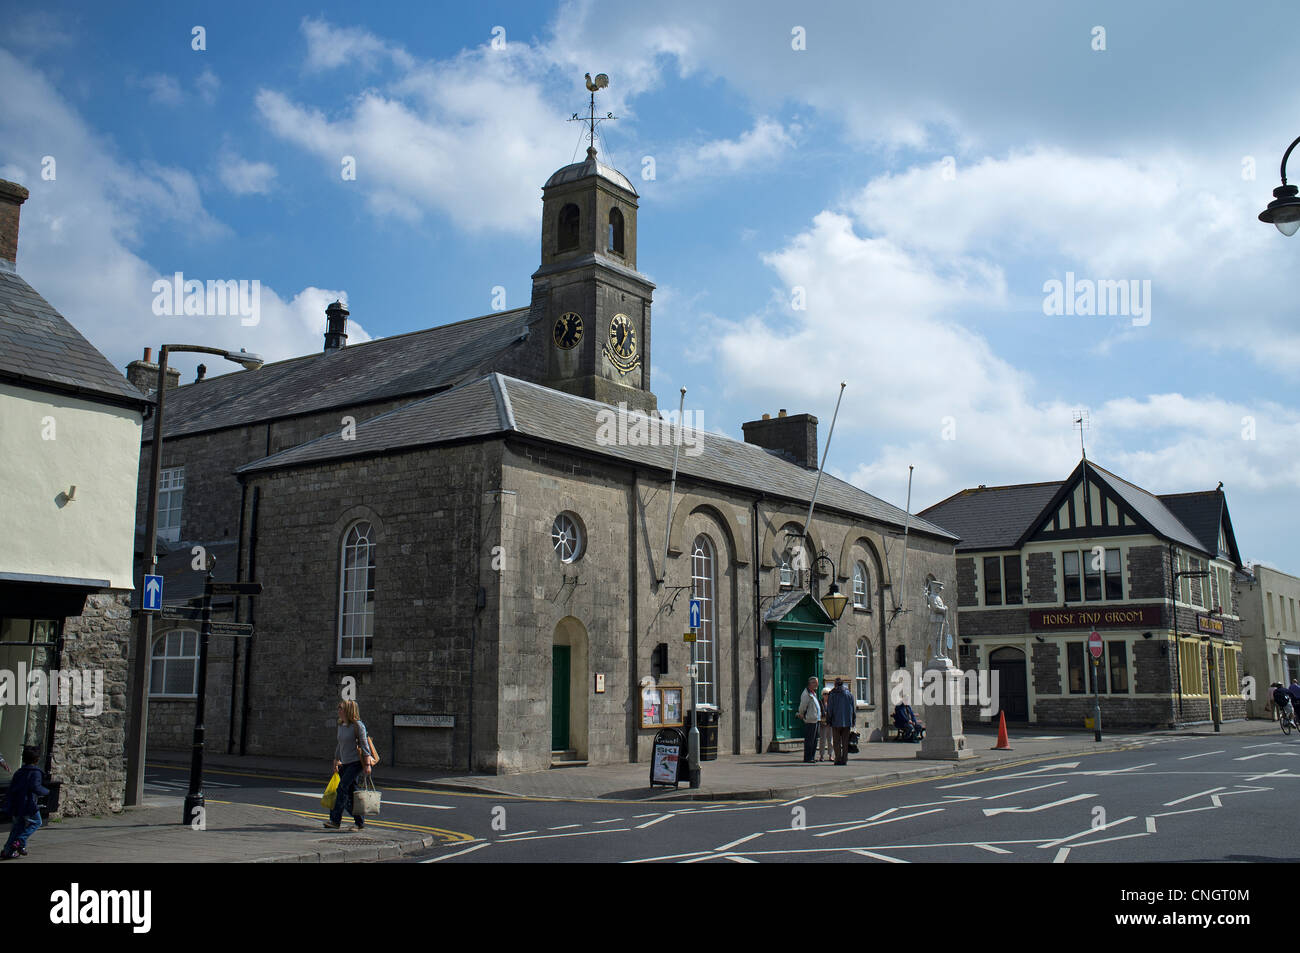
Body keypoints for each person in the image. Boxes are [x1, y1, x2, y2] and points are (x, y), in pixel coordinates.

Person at [326, 700, 372, 829]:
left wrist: (367, 765)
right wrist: (336, 759)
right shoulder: (341, 725)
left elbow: (364, 745)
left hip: (356, 763)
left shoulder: (358, 726)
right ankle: (359, 823)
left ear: (349, 710)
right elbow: (340, 744)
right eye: (338, 708)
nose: (339, 711)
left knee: (341, 788)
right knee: (353, 793)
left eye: (341, 708)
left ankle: (335, 821)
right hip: (345, 763)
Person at [1, 746, 48, 859]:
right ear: (36, 760)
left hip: (16, 804)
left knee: (17, 827)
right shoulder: (35, 772)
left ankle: (8, 850)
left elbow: (12, 787)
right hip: (28, 804)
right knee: (37, 822)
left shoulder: (19, 772)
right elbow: (36, 787)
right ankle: (20, 841)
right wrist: (47, 791)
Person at [827, 677, 856, 765]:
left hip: (836, 721)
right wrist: (853, 720)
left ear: (836, 684)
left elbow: (830, 709)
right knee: (845, 741)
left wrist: (829, 719)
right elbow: (853, 709)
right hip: (847, 721)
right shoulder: (849, 694)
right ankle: (845, 759)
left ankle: (838, 759)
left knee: (836, 742)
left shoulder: (833, 694)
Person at [797, 677, 821, 764]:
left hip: (816, 719)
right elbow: (802, 706)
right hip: (810, 720)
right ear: (810, 684)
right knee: (809, 740)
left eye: (817, 683)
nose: (816, 684)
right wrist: (801, 714)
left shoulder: (813, 693)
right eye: (814, 683)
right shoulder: (806, 694)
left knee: (814, 740)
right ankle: (807, 757)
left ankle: (812, 756)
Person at [818, 685, 834, 762]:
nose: (826, 695)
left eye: (828, 694)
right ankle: (821, 755)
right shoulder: (820, 702)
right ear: (822, 694)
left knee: (830, 740)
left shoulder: (832, 703)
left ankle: (830, 755)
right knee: (822, 740)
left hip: (830, 723)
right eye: (825, 694)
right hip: (823, 723)